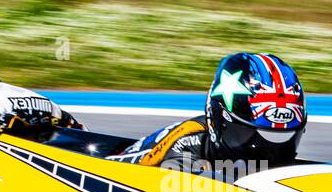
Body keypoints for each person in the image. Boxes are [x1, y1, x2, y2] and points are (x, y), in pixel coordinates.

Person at [107, 52, 306, 175]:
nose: (265, 154)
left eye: (282, 141)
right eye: (247, 137)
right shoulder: (185, 147)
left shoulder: (262, 161)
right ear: (218, 121)